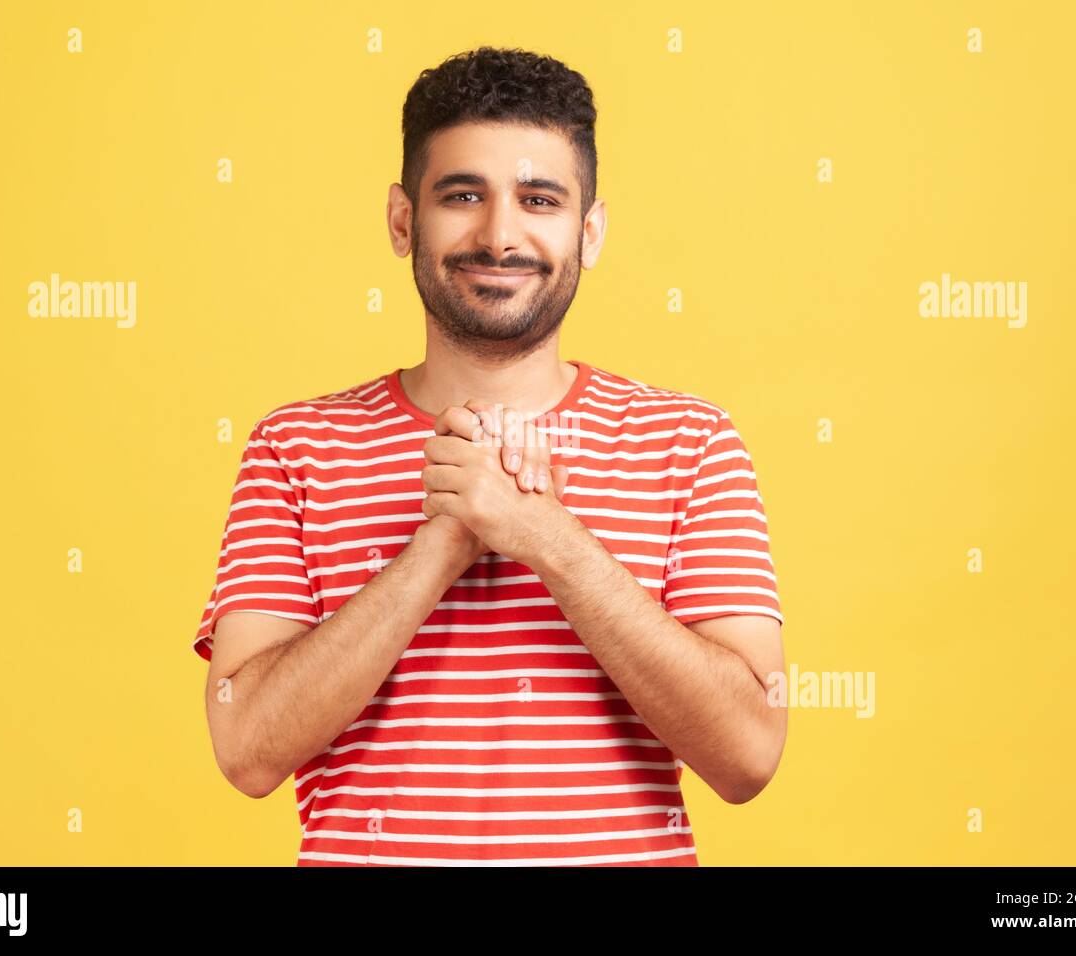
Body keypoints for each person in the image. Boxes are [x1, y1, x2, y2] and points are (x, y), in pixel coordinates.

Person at [193, 46, 786, 866]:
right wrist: (438, 548)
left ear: (590, 230)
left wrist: (547, 536)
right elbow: (247, 748)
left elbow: (749, 755)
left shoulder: (692, 442)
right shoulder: (297, 447)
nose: (499, 235)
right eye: (462, 195)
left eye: (538, 199)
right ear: (404, 221)